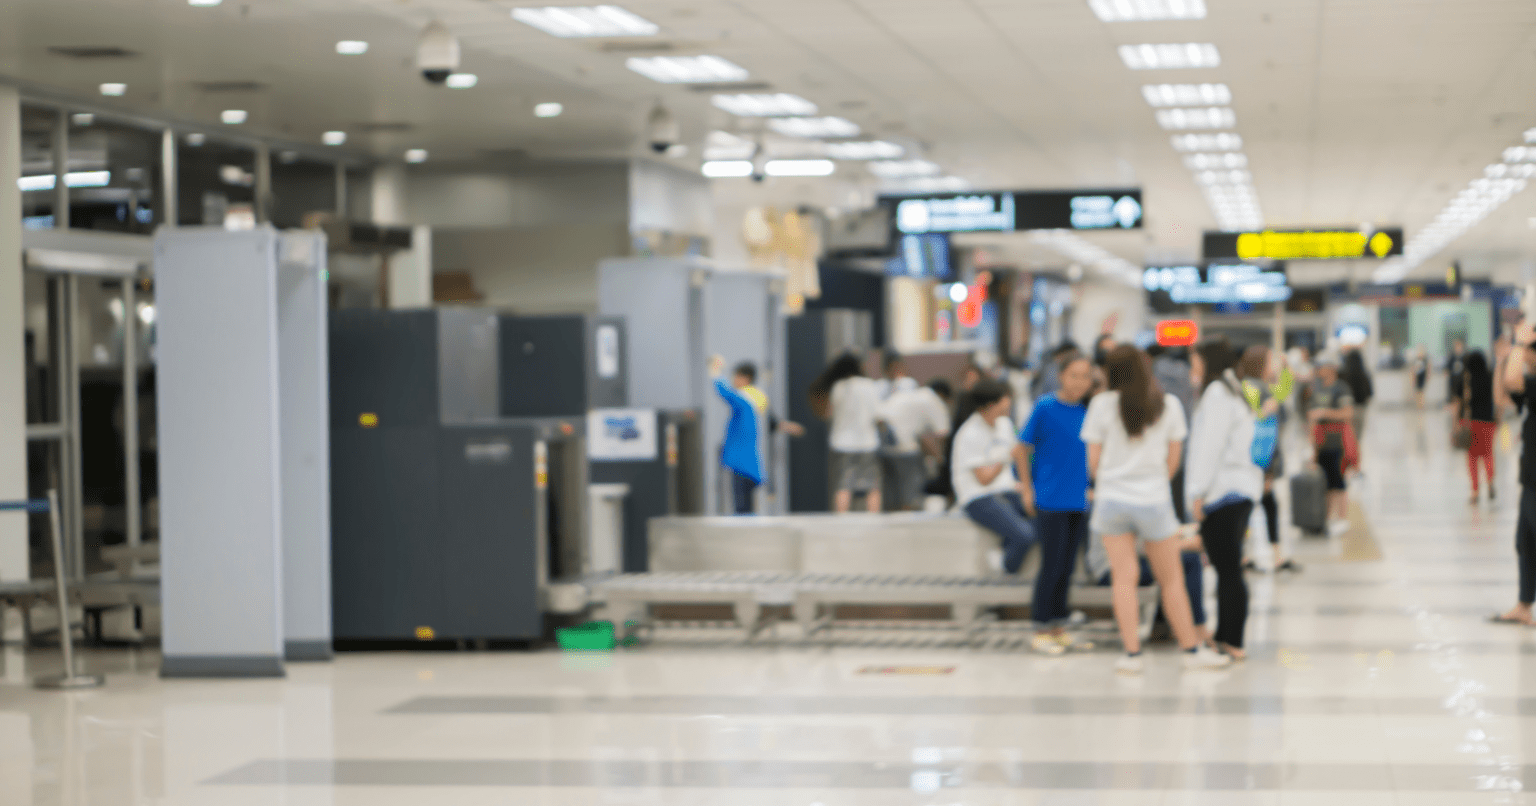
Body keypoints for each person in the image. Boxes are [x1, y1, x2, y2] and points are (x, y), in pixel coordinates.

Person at [1081, 345, 1231, 674]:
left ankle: (1132, 655)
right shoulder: (1168, 405)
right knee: (1172, 579)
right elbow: (1174, 460)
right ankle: (1191, 650)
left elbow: (1092, 463)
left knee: (1124, 578)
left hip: (1111, 500)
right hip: (1153, 499)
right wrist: (1152, 479)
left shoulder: (1100, 405)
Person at [1186, 339, 1262, 661]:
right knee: (1230, 569)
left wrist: (1197, 492)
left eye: (1195, 363)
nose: (1193, 370)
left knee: (1228, 570)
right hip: (1240, 488)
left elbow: (1209, 447)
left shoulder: (1217, 394)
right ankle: (1228, 637)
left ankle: (1231, 641)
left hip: (1223, 492)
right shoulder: (1235, 391)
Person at [1017, 353, 1094, 655]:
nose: (1079, 382)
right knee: (1050, 566)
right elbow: (1021, 447)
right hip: (1050, 499)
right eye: (1074, 375)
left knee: (1066, 568)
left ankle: (1059, 627)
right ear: (1061, 376)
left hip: (1078, 501)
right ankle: (1040, 627)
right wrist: (1027, 488)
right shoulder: (1045, 407)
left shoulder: (1090, 411)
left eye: (1085, 377)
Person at [952, 379, 1037, 575]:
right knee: (1025, 535)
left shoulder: (1004, 424)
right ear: (990, 404)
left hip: (1004, 491)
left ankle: (1004, 553)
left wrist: (1025, 488)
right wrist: (1008, 456)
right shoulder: (969, 433)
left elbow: (1018, 458)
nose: (1009, 402)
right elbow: (983, 479)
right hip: (977, 498)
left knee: (1043, 512)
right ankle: (1002, 568)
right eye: (1004, 399)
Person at [1238, 345, 1300, 573]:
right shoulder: (1249, 388)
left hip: (1263, 455)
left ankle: (1257, 555)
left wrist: (1285, 367)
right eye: (1269, 362)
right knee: (1261, 503)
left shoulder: (1260, 386)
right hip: (1257, 457)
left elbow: (1284, 389)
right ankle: (1260, 555)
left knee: (1262, 503)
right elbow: (1256, 414)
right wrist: (1264, 410)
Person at [1494, 323, 1536, 625]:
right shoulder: (1531, 386)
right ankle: (1524, 605)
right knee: (1525, 542)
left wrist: (1519, 344)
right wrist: (1501, 360)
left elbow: (1513, 380)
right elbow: (1502, 397)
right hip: (1530, 478)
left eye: (1530, 352)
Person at [813, 353, 884, 513]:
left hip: (841, 442)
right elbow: (878, 415)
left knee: (843, 485)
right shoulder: (869, 386)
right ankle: (874, 518)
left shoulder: (837, 387)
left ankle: (841, 518)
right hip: (867, 441)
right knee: (872, 485)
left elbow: (828, 414)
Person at [879, 357, 952, 511]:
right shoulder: (935, 401)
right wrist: (941, 461)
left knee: (892, 489)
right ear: (944, 396)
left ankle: (894, 516)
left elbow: (920, 437)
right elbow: (942, 436)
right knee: (910, 487)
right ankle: (907, 515)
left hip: (884, 443)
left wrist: (933, 455)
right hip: (904, 447)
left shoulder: (914, 395)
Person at [710, 356, 764, 515]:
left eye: (736, 376)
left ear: (745, 378)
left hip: (742, 464)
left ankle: (746, 538)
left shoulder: (745, 400)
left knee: (742, 509)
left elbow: (725, 393)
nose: (734, 380)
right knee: (746, 507)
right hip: (750, 464)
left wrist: (715, 371)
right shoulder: (756, 399)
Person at [1148, 344, 1196, 522]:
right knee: (1177, 500)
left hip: (1156, 444)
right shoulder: (1187, 375)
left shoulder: (1155, 373)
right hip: (1181, 441)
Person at [1309, 355, 1355, 534]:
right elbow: (1311, 417)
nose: (1320, 369)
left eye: (1323, 366)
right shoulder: (1317, 388)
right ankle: (1328, 517)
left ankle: (1342, 517)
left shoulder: (1341, 389)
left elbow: (1348, 413)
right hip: (1321, 442)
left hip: (1337, 442)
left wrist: (1324, 412)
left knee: (1339, 481)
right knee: (1326, 483)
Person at [1461, 350, 1499, 503]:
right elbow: (1497, 397)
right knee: (1488, 454)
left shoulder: (1468, 379)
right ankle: (1490, 482)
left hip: (1472, 422)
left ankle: (1475, 491)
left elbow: (1465, 399)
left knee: (1472, 458)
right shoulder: (1491, 377)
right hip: (1489, 421)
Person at [1342, 348, 1374, 461]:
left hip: (1347, 410)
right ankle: (1357, 464)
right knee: (1358, 439)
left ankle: (1347, 462)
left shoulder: (1343, 374)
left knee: (1348, 439)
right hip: (1361, 409)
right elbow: (1370, 393)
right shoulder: (1365, 374)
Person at [1448, 338, 1468, 406]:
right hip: (1453, 381)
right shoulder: (1452, 357)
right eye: (1456, 346)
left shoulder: (1465, 357)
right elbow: (1448, 368)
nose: (1458, 348)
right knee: (1454, 397)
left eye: (1459, 346)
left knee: (1462, 397)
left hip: (1462, 381)